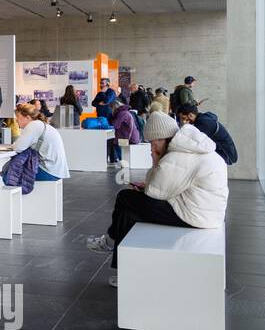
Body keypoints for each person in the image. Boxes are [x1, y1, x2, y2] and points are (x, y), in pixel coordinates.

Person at [87, 112, 229, 287]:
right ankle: (122, 269)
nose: (151, 148)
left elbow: (155, 192)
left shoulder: (176, 157)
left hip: (194, 215)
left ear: (162, 139)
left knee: (125, 198)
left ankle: (110, 242)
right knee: (128, 213)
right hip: (204, 210)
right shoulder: (192, 148)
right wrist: (148, 183)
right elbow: (170, 184)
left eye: (153, 144)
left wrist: (155, 161)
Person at [10, 102, 69, 181]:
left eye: (18, 118)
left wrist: (14, 145)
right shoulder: (41, 124)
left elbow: (18, 147)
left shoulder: (33, 125)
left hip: (48, 171)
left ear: (27, 117)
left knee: (10, 173)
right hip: (56, 170)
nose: (17, 121)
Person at [108, 99, 140, 165]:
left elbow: (115, 125)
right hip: (131, 136)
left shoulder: (122, 113)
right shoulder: (124, 112)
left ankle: (122, 161)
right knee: (113, 142)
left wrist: (111, 118)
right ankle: (119, 160)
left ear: (114, 107)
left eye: (111, 108)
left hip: (128, 138)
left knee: (115, 144)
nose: (111, 110)